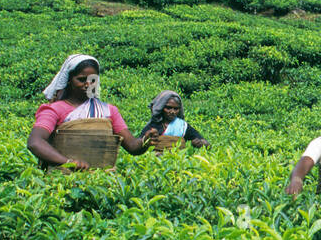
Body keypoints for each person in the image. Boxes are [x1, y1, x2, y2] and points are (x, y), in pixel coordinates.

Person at [27, 54, 156, 169]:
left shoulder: (108, 111)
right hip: (61, 181)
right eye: (81, 79)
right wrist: (68, 162)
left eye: (92, 80)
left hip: (101, 181)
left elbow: (132, 146)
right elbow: (35, 142)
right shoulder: (54, 110)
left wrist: (145, 140)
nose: (88, 85)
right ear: (69, 80)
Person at [140, 91, 209, 148]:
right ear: (161, 108)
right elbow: (139, 145)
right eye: (168, 108)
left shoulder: (182, 126)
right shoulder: (153, 125)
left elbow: (206, 143)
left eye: (176, 109)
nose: (172, 112)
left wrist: (201, 143)